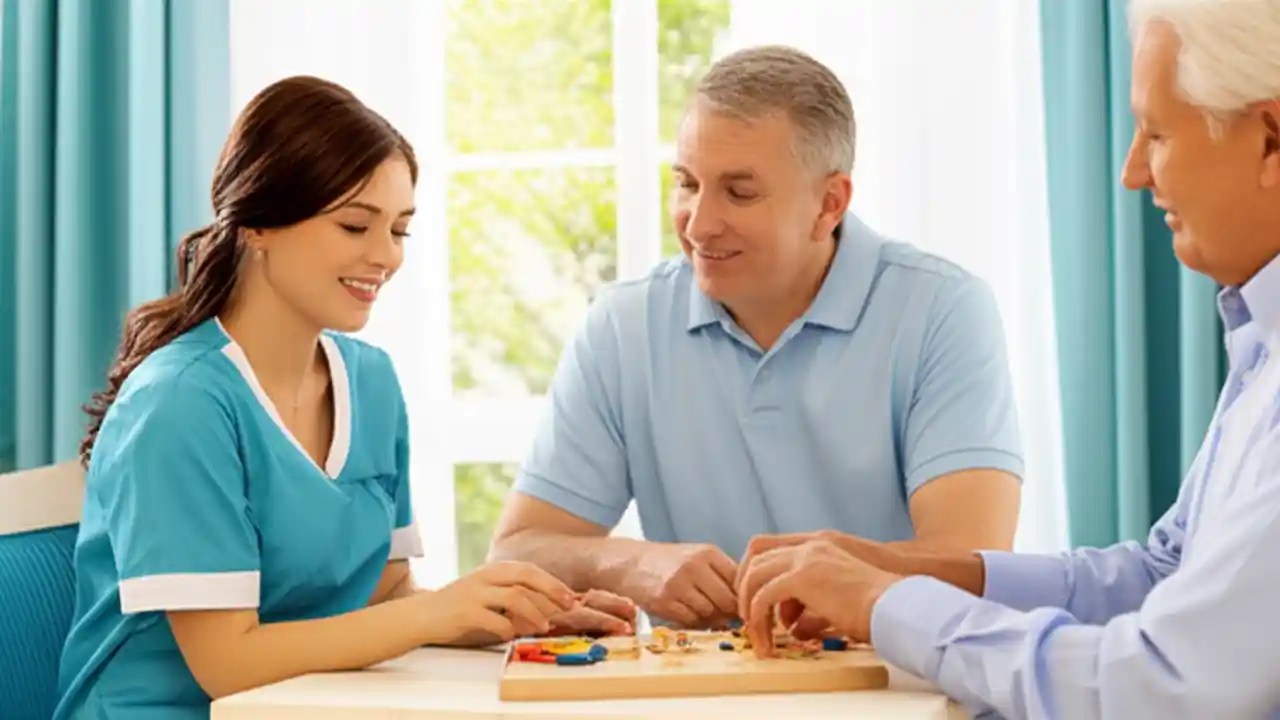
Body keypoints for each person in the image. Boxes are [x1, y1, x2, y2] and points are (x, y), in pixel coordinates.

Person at [734, 3, 1280, 718]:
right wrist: (897, 571)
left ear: (1270, 139)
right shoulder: (1259, 346)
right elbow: (1162, 574)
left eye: (1155, 133)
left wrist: (889, 605)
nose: (1132, 173)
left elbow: (1164, 685)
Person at [54, 76, 628, 720]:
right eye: (356, 225)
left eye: (400, 231)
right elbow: (226, 664)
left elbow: (386, 600)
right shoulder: (179, 403)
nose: (384, 256)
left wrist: (510, 618)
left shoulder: (371, 381)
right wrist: (440, 611)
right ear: (258, 225)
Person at [490, 45, 1024, 630]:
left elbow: (972, 564)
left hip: (896, 688)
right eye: (688, 184)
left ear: (829, 204)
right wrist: (628, 561)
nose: (698, 223)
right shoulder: (623, 325)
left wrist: (826, 581)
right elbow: (516, 552)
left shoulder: (942, 310)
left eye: (738, 193)